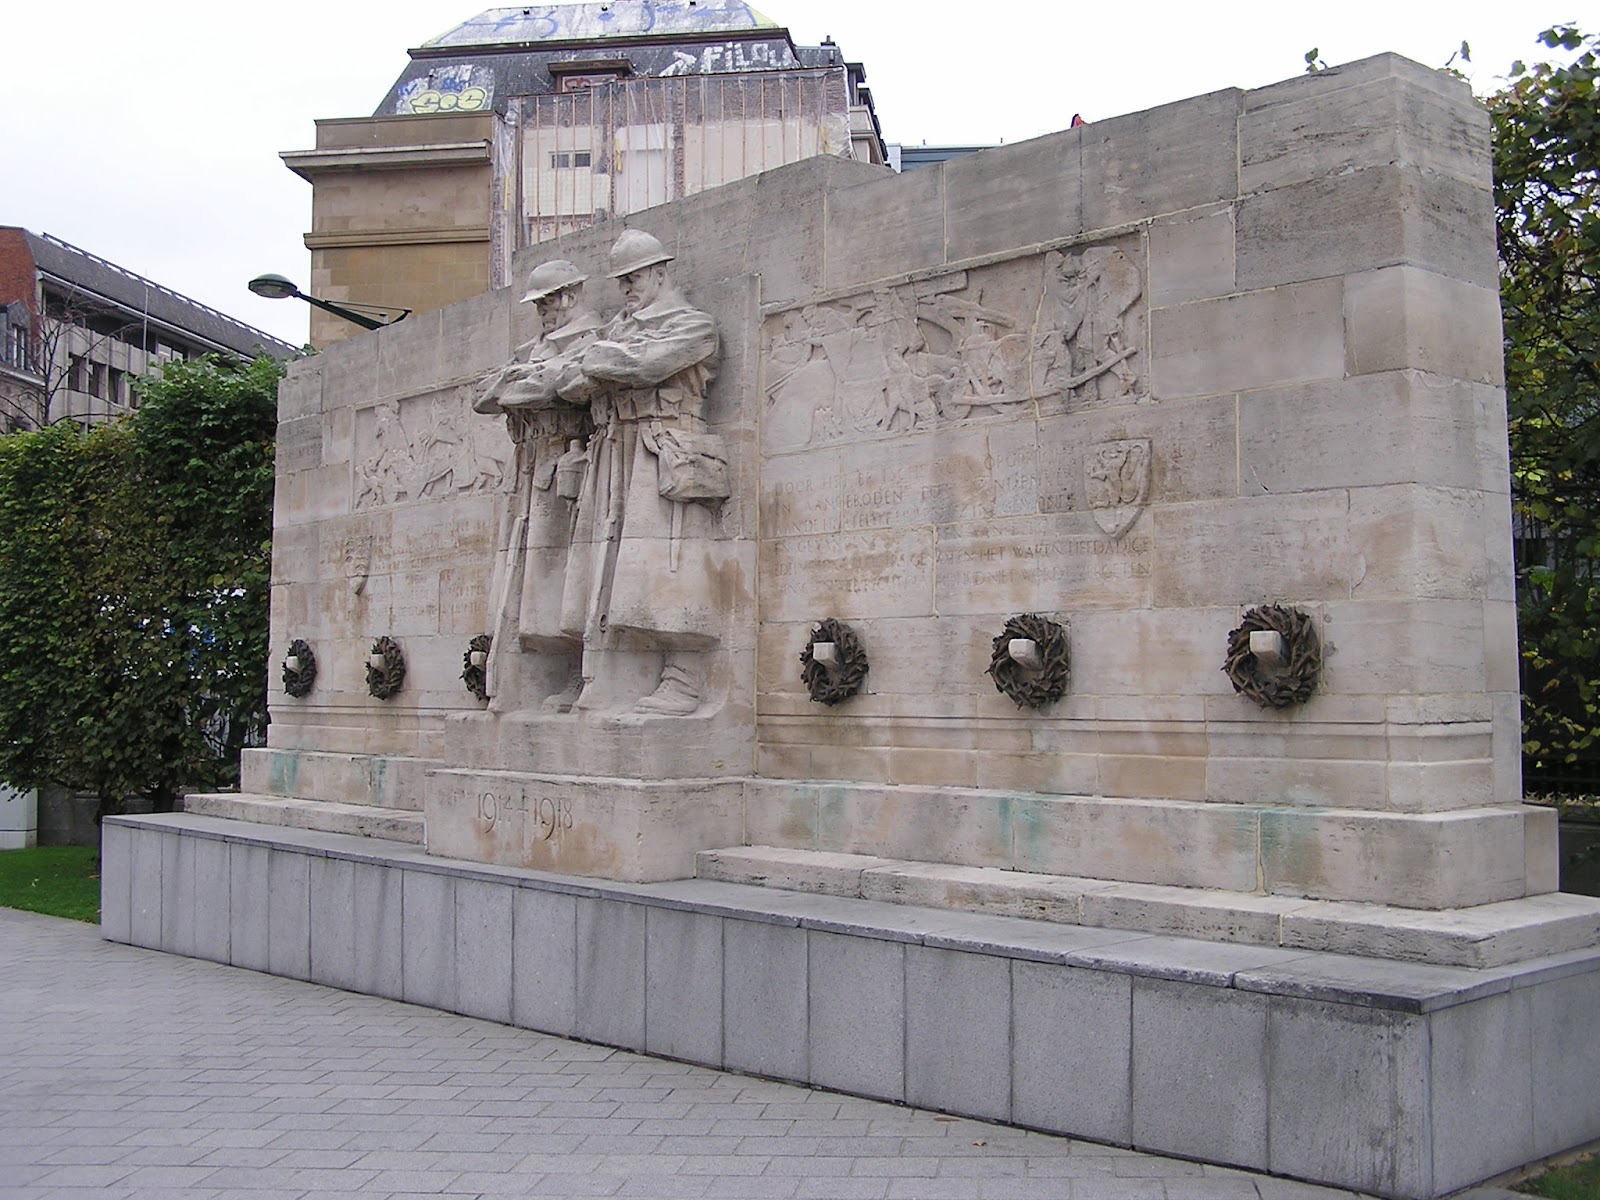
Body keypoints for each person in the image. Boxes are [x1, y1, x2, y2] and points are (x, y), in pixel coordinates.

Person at [555, 229, 727, 715]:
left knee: (667, 566)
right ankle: (604, 676)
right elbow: (567, 380)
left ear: (659, 271)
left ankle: (685, 679)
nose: (626, 288)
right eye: (620, 280)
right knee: (607, 573)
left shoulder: (693, 324)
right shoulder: (618, 331)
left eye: (633, 277)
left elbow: (650, 364)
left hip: (661, 446)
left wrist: (603, 360)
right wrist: (604, 360)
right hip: (614, 448)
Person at [473, 260, 602, 708]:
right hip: (527, 462)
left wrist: (525, 383)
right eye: (539, 304)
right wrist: (524, 380)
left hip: (565, 461)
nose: (543, 312)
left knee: (565, 577)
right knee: (528, 581)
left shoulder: (593, 338)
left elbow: (568, 388)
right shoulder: (532, 348)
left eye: (548, 301)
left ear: (570, 295)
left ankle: (578, 674)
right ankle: (534, 679)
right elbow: (483, 397)